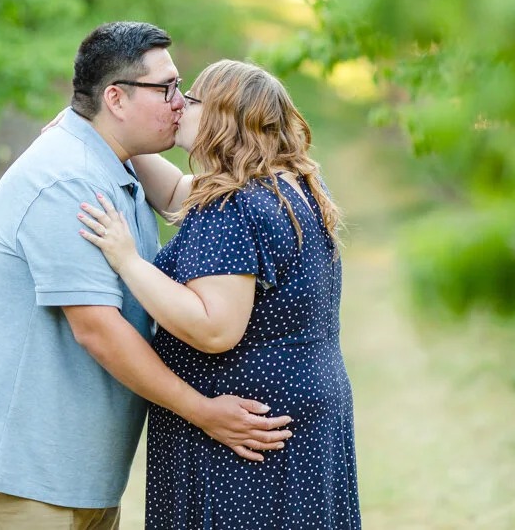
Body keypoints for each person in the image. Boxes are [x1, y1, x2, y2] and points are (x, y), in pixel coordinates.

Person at [0, 23, 292, 530]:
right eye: (166, 89)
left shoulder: (116, 165)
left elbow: (192, 194)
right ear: (115, 99)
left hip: (76, 469)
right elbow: (97, 329)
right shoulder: (68, 178)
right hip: (20, 470)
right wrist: (203, 411)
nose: (180, 102)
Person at [77, 59, 361, 529]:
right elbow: (172, 195)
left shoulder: (234, 205)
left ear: (221, 116)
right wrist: (109, 136)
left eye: (190, 100)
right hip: (300, 414)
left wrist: (127, 260)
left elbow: (213, 329)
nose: (178, 106)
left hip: (244, 433)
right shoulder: (290, 185)